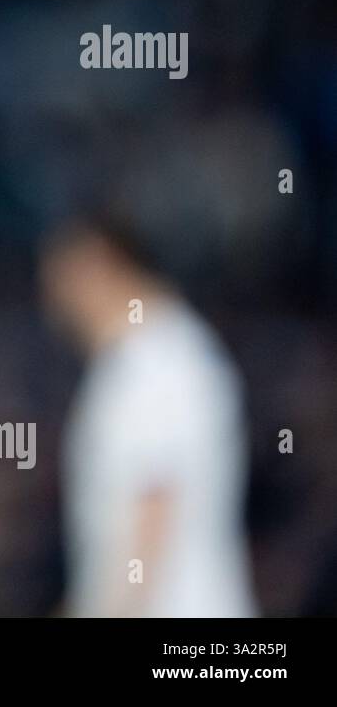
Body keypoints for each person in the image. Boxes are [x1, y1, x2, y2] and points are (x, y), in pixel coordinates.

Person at [39, 214, 257, 617]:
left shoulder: (159, 361)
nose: (54, 301)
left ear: (98, 266)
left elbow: (154, 516)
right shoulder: (145, 356)